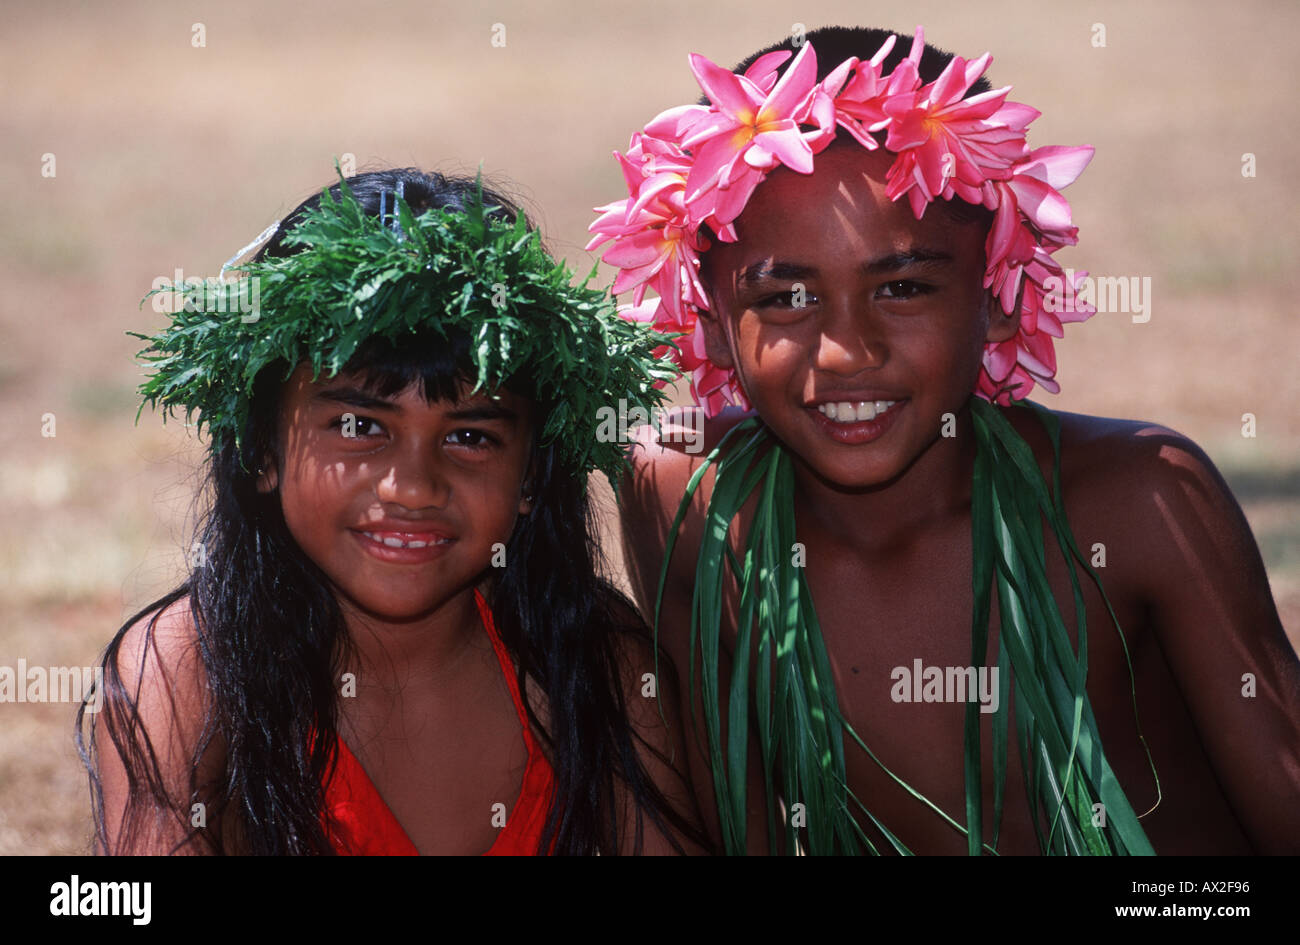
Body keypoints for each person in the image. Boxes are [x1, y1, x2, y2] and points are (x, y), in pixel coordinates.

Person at [600, 26, 1300, 854]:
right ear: (713, 323)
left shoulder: (1142, 502)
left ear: (999, 292)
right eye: (786, 298)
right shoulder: (684, 500)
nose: (847, 352)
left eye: (901, 286)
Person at [79, 166, 706, 855]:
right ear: (261, 447)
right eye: (358, 426)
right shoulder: (186, 675)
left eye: (471, 436)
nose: (411, 486)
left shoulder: (592, 660)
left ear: (532, 472)